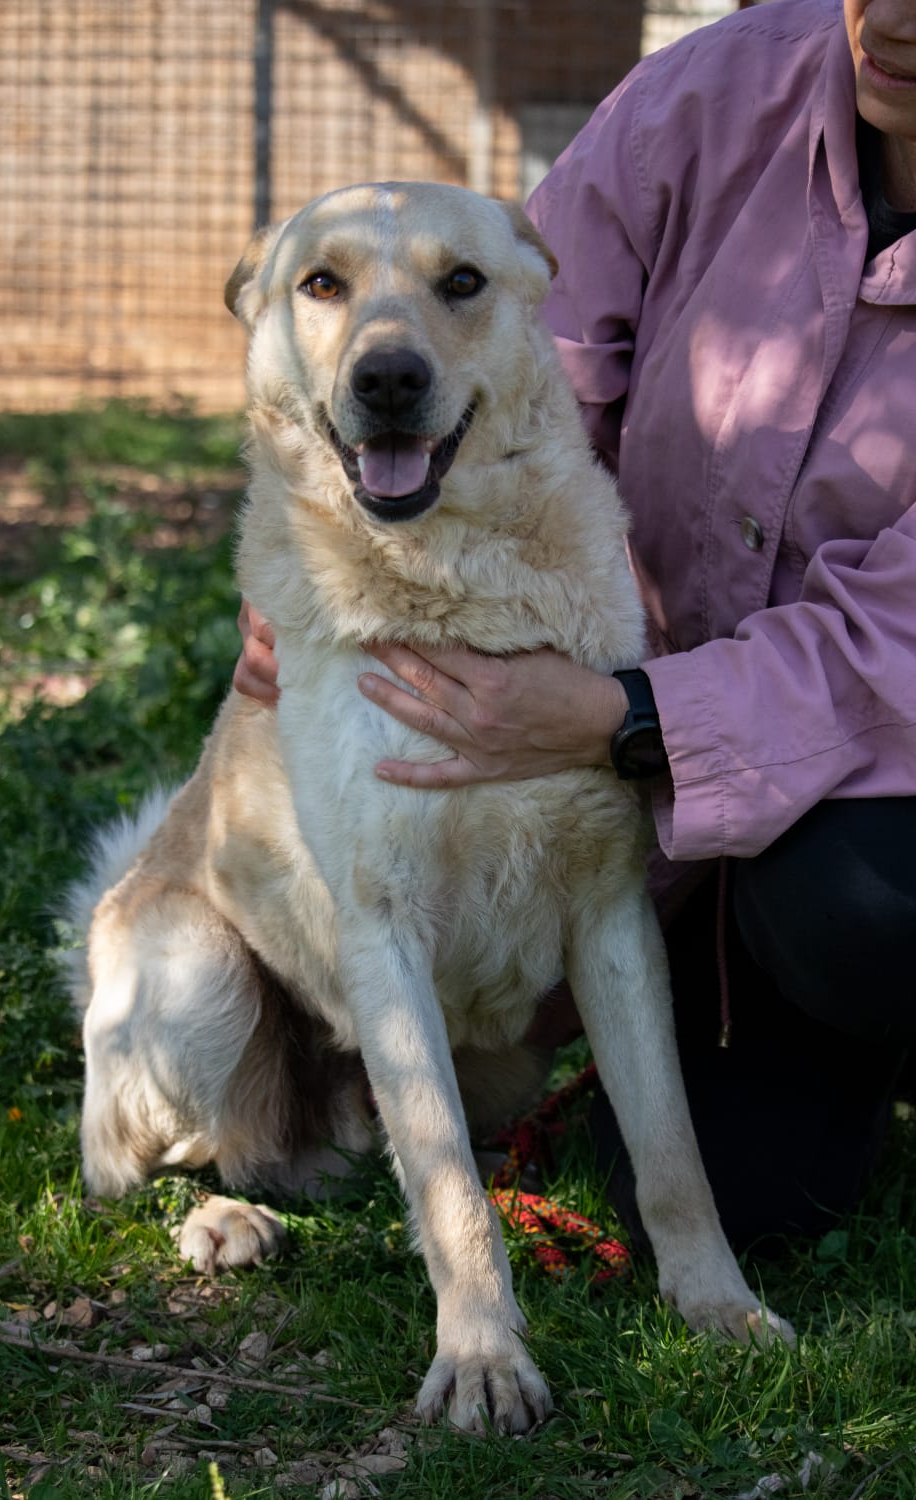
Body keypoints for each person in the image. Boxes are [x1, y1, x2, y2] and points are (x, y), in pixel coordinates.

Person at [235, 0, 916, 1250]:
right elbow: (525, 352)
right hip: (662, 786)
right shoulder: (705, 97)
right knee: (753, 1196)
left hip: (873, 778)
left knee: (862, 914)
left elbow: (901, 643)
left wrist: (628, 717)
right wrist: (334, 552)